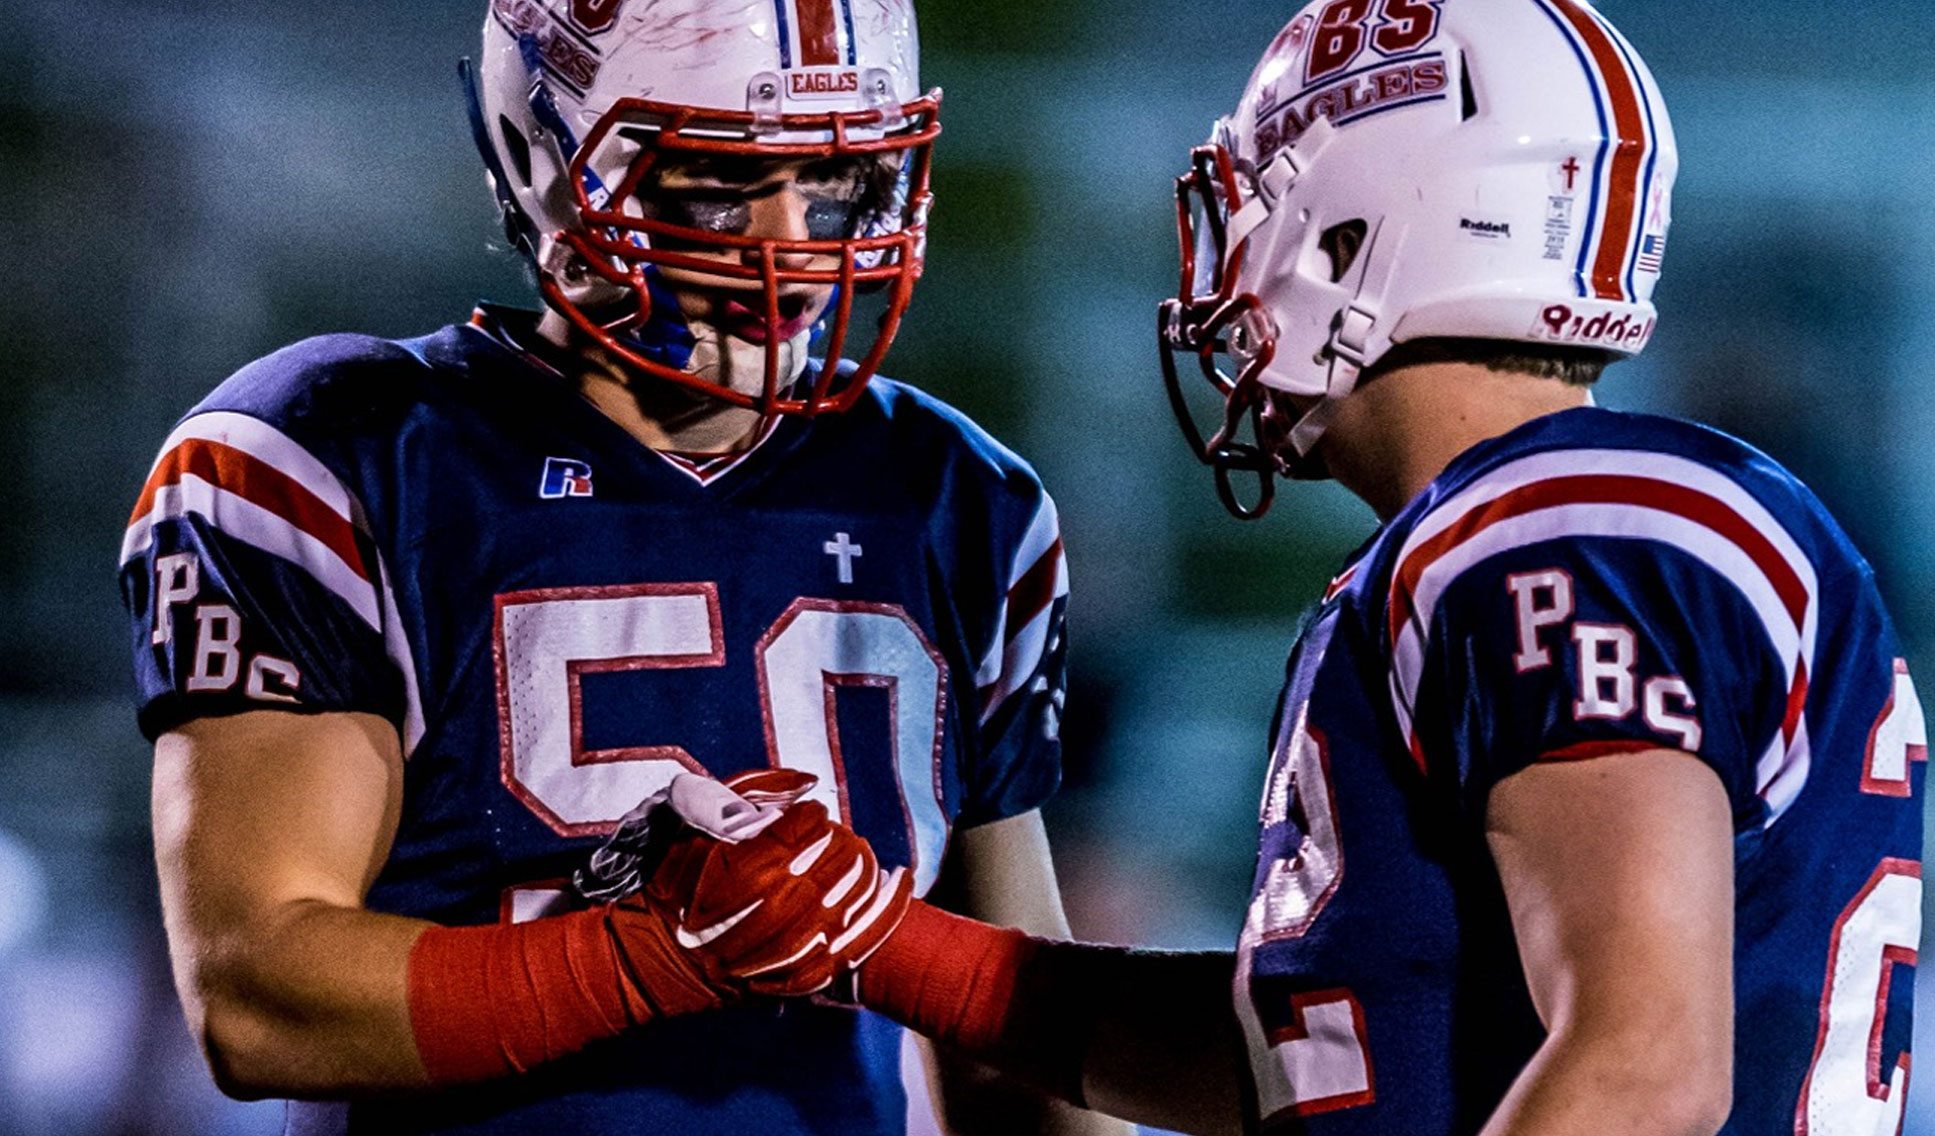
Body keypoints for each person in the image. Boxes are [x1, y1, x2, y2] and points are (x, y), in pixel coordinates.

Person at [627, 2, 1928, 1134]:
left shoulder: (1555, 527)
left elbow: (1641, 1069)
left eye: (1249, 211)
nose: (1217, 270)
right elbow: (1313, 1061)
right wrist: (879, 943)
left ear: (1346, 240)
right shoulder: (1527, 528)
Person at [120, 2, 1129, 1133]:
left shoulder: (953, 494)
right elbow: (260, 994)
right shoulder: (343, 452)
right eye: (718, 184)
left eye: (837, 182)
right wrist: (655, 952)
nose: (792, 246)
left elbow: (1013, 1044)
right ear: (544, 154)